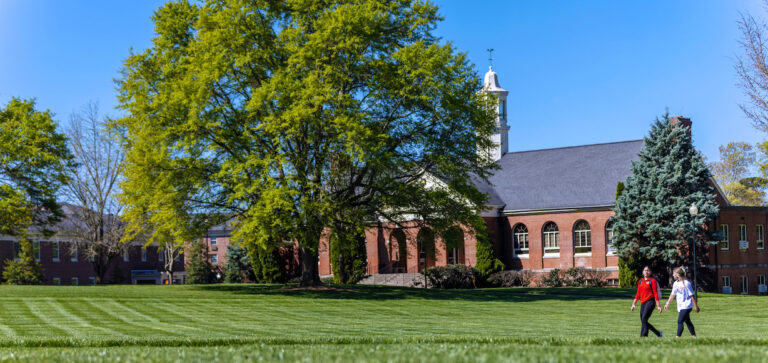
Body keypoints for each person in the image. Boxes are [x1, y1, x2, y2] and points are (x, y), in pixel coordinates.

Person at [664, 267, 700, 338]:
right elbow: (672, 294)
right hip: (680, 306)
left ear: (677, 275)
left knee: (680, 321)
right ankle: (694, 336)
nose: (673, 275)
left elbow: (692, 295)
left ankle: (677, 337)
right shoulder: (675, 284)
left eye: (674, 274)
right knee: (687, 321)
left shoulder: (687, 283)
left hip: (687, 306)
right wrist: (667, 303)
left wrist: (696, 306)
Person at [631, 266, 662, 337]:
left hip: (650, 302)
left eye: (648, 270)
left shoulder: (652, 281)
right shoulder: (640, 281)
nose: (646, 272)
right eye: (645, 270)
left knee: (644, 318)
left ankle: (643, 336)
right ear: (643, 272)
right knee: (643, 321)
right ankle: (658, 333)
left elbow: (655, 293)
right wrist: (634, 304)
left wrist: (658, 306)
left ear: (650, 272)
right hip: (643, 303)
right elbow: (638, 293)